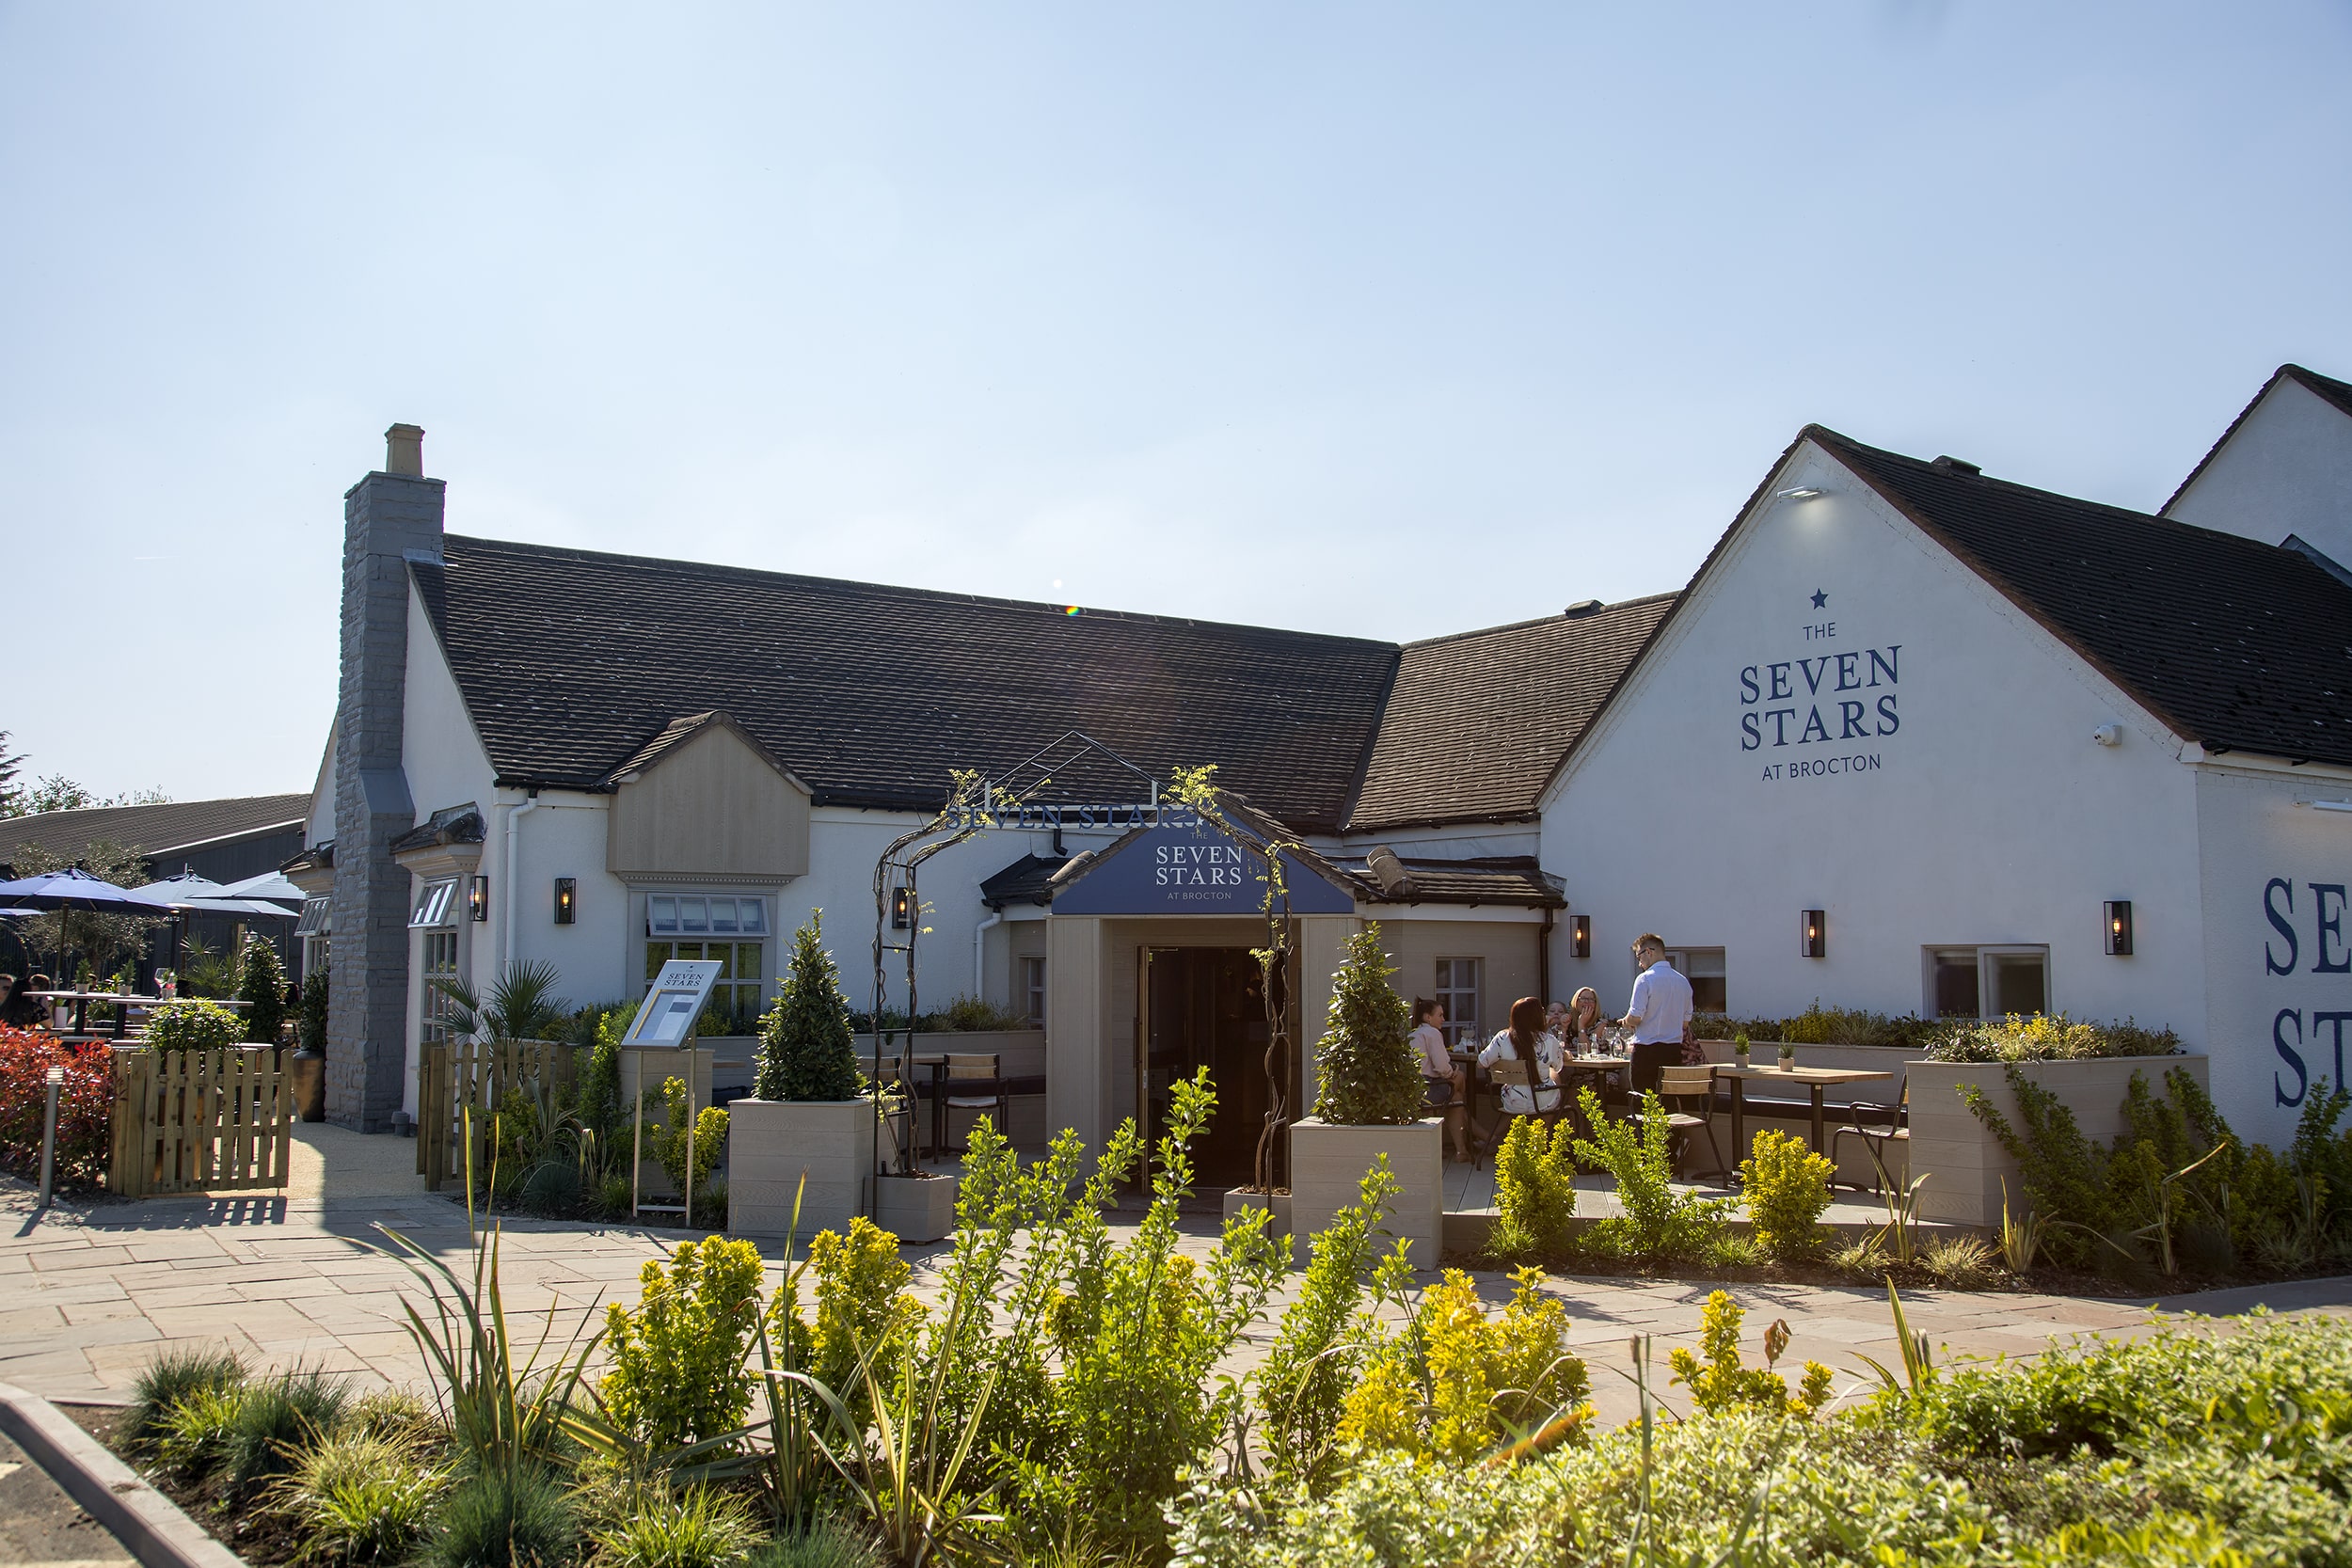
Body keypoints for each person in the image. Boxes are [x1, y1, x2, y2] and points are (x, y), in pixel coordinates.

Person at [1620, 935, 1694, 1094]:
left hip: (1647, 1052)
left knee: (1644, 1104)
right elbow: (1685, 1023)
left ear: (1649, 952)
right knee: (1668, 1103)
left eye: (1639, 957)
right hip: (1673, 1052)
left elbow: (1635, 1017)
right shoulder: (1683, 982)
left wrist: (1625, 1021)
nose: (1639, 963)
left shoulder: (1645, 979)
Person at [1478, 995, 1563, 1123]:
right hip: (1543, 1102)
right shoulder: (1549, 1040)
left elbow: (1481, 1062)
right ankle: (1542, 1137)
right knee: (1554, 1077)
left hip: (1513, 1101)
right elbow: (1558, 1067)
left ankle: (1499, 1138)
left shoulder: (1502, 1038)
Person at [1408, 997, 1472, 1163]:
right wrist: (1453, 1071)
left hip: (1416, 1090)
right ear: (1428, 1017)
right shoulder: (1432, 1033)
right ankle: (1464, 1147)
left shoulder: (1413, 1034)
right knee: (1459, 1081)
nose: (1443, 1019)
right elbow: (1443, 1067)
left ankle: (1460, 1149)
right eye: (1440, 1015)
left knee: (1456, 1099)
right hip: (1430, 1089)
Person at [1564, 987, 1604, 1051]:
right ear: (1576, 1002)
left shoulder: (1601, 1024)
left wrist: (1581, 1024)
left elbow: (1588, 1051)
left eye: (1591, 999)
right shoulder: (1569, 1020)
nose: (1587, 1002)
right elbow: (1560, 1049)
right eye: (1583, 998)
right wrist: (1564, 1027)